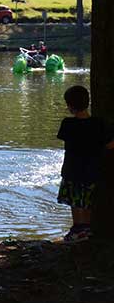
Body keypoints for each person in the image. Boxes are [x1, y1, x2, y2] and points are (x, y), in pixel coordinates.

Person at [56, 85, 113, 243]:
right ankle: (86, 229)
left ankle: (77, 229)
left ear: (70, 105)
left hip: (72, 170)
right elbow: (109, 145)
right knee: (86, 200)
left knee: (75, 201)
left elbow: (63, 138)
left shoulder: (67, 124)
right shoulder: (99, 124)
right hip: (92, 170)